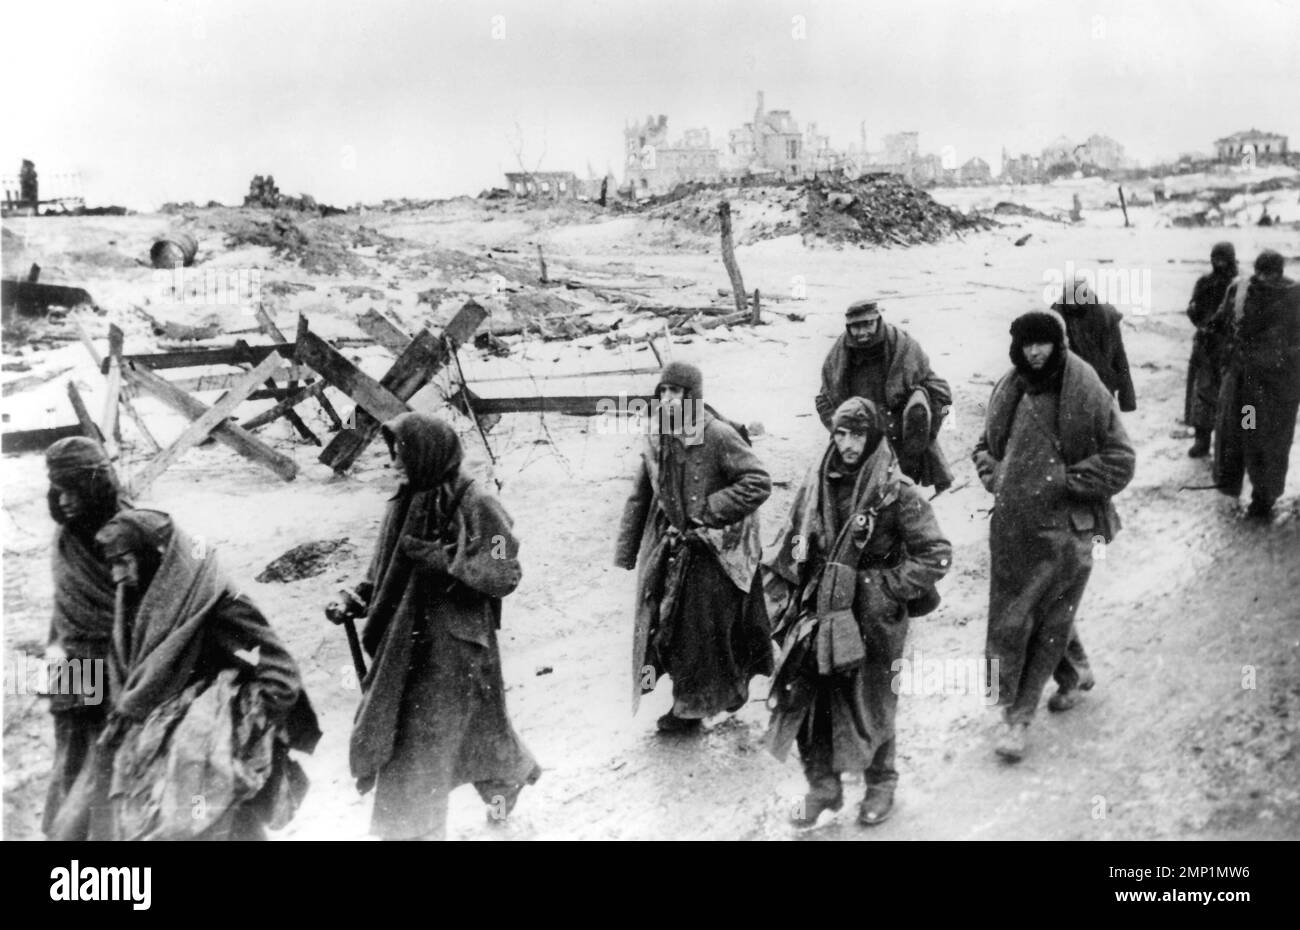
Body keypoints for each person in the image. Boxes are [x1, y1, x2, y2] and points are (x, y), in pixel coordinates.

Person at [50, 509, 320, 841]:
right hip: (149, 746)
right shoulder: (135, 601)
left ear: (154, 555)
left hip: (203, 750)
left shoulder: (210, 598)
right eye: (112, 564)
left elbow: (279, 665)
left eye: (124, 561)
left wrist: (242, 721)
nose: (117, 575)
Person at [338, 412, 540, 840]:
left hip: (455, 645)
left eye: (403, 452)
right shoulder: (402, 502)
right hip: (403, 641)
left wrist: (446, 562)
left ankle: (413, 832)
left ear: (429, 452)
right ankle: (506, 780)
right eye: (392, 451)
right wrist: (358, 597)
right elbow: (384, 569)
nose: (395, 461)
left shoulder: (478, 502)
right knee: (469, 731)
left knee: (420, 743)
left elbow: (505, 572)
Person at [762, 398, 951, 826]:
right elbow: (794, 537)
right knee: (808, 696)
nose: (848, 444)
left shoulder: (895, 490)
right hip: (820, 608)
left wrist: (884, 588)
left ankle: (881, 785)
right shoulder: (816, 482)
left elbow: (936, 553)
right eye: (841, 433)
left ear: (873, 437)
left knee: (873, 701)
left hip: (873, 617)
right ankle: (823, 788)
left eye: (857, 434)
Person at [972, 310, 1135, 761]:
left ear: (1058, 344)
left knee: (1043, 620)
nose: (1035, 353)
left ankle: (1017, 720)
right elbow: (984, 447)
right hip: (1013, 531)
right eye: (1027, 345)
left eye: (1043, 343)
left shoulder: (1084, 389)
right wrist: (998, 478)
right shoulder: (1009, 388)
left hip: (1067, 534)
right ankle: (1076, 672)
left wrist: (1067, 480)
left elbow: (1121, 459)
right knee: (1021, 615)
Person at [615, 361, 773, 733]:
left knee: (701, 631)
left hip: (714, 549)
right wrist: (627, 549)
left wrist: (709, 510)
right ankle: (716, 694)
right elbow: (641, 495)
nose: (667, 399)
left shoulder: (717, 434)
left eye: (675, 392)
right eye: (663, 392)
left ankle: (690, 707)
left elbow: (758, 481)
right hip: (672, 545)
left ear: (692, 397)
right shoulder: (657, 438)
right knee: (663, 626)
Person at [41, 437, 126, 839]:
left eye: (73, 488)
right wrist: (52, 662)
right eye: (58, 490)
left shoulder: (130, 533)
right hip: (74, 664)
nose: (65, 500)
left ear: (94, 486)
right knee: (72, 758)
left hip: (119, 665)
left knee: (110, 765)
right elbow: (62, 607)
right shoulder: (65, 539)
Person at [814, 299, 954, 492]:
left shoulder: (903, 346)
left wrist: (922, 434)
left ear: (878, 320)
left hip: (899, 439)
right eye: (855, 327)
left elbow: (941, 392)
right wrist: (841, 430)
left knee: (900, 496)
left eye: (867, 324)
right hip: (860, 437)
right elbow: (824, 400)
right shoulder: (839, 355)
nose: (862, 333)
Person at [1209, 249, 1300, 519]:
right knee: (1269, 439)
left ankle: (1236, 485)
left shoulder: (1239, 289)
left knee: (1240, 432)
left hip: (1244, 384)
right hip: (1276, 389)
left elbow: (1217, 326)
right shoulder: (1296, 295)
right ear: (1281, 270)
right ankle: (1263, 496)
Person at [1051, 276, 1137, 413]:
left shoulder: (1106, 315)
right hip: (1069, 390)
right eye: (1068, 294)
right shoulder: (1055, 318)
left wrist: (1127, 398)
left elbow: (1119, 357)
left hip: (1103, 387)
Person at [1184, 243, 1238, 456]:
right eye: (1215, 258)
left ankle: (1229, 444)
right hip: (1205, 345)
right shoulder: (1204, 282)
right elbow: (1193, 307)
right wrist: (1198, 319)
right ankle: (1202, 440)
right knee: (1201, 393)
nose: (1218, 262)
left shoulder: (1239, 285)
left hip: (1228, 347)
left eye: (1223, 258)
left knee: (1231, 397)